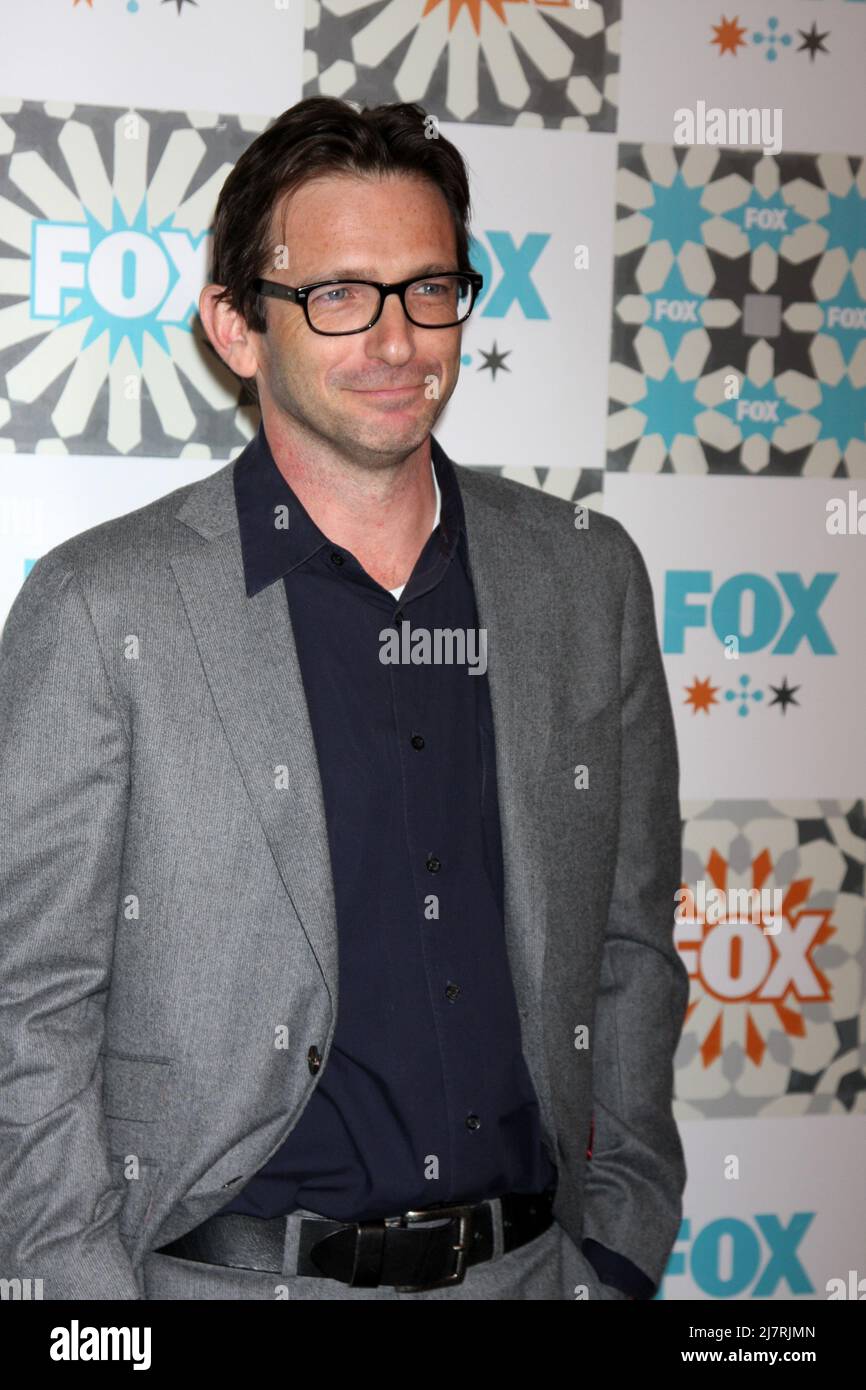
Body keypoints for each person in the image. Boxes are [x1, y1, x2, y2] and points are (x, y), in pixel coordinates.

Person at [0, 97, 689, 1301]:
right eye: (338, 295)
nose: (395, 339)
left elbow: (632, 940)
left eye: (429, 289)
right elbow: (26, 1001)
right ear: (235, 327)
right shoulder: (100, 607)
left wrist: (622, 1244)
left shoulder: (587, 577)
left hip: (534, 1272)